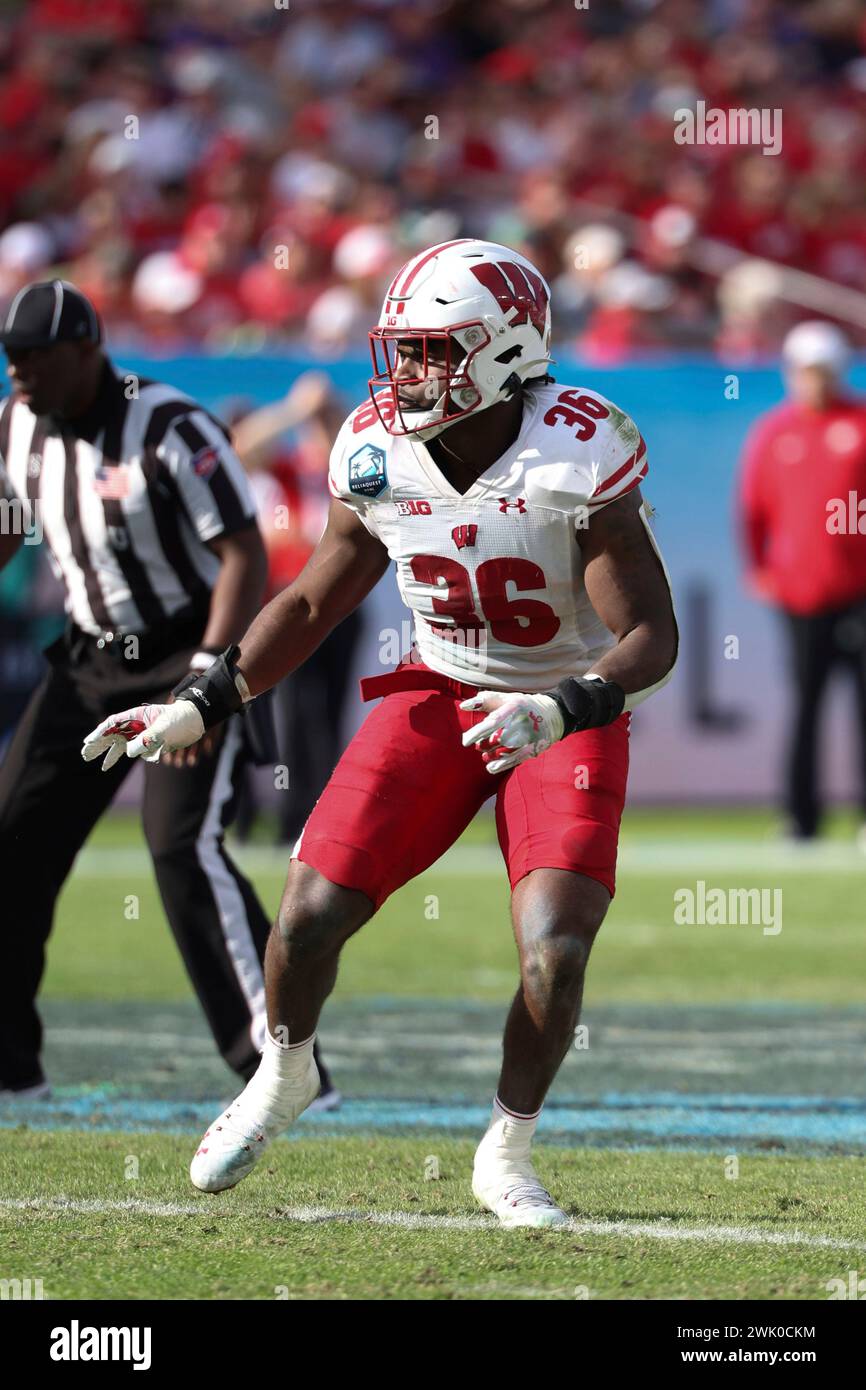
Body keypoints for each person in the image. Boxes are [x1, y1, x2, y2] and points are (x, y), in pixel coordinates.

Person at [83, 240, 678, 1228]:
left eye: (432, 349)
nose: (404, 372)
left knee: (554, 954)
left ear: (504, 353)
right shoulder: (374, 445)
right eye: (400, 349)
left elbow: (648, 635)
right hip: (438, 691)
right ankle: (281, 1074)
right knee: (308, 913)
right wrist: (208, 692)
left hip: (558, 707)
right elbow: (315, 596)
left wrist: (567, 704)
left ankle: (504, 1152)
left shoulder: (577, 444)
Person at [0, 278, 337, 1105]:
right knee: (12, 844)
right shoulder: (14, 426)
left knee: (180, 848)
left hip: (187, 655)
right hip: (85, 663)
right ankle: (10, 1067)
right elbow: (8, 525)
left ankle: (282, 1068)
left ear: (87, 350)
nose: (21, 378)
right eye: (11, 362)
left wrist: (208, 680)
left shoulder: (170, 424)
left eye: (36, 360)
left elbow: (243, 553)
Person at [738, 320, 866, 841]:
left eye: (819, 371)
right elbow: (753, 508)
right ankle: (801, 817)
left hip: (859, 592)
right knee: (807, 703)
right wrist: (758, 569)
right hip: (800, 595)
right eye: (801, 371)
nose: (809, 381)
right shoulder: (775, 431)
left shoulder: (859, 423)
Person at [231, 373, 363, 843]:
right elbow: (244, 446)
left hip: (342, 601)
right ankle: (288, 817)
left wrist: (330, 409)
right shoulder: (288, 468)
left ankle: (317, 817)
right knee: (293, 714)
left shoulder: (347, 468)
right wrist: (294, 408)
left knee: (324, 716)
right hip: (292, 600)